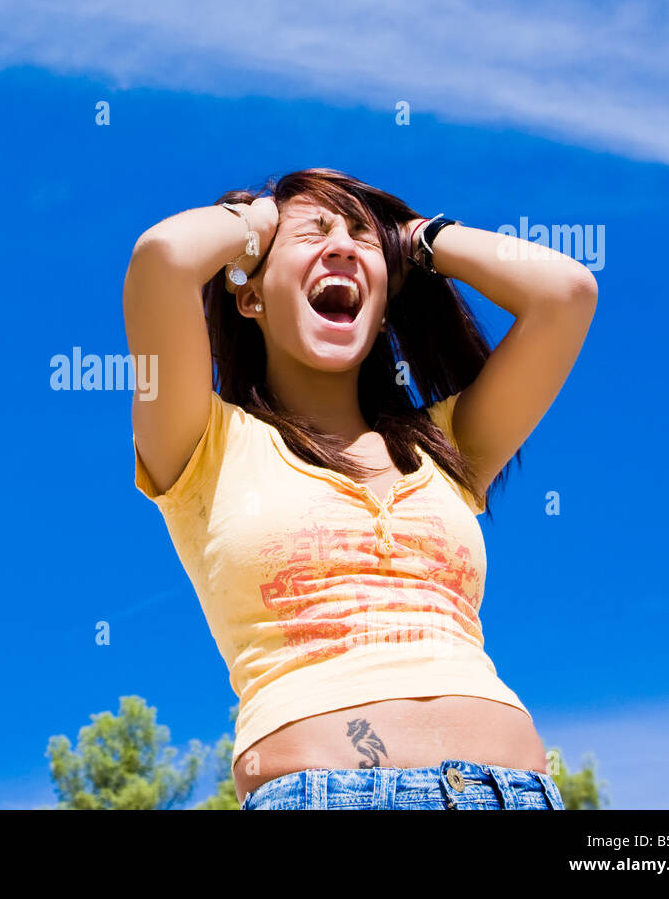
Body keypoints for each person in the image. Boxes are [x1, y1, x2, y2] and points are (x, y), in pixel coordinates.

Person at [123, 168, 597, 810]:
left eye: (360, 239)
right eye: (313, 234)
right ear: (249, 295)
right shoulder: (203, 441)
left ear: (382, 311)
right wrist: (258, 222)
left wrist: (419, 241)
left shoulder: (447, 444)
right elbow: (163, 259)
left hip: (510, 794)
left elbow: (566, 292)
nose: (341, 246)